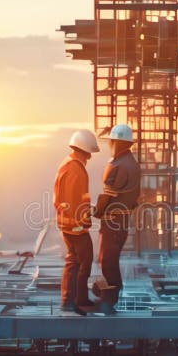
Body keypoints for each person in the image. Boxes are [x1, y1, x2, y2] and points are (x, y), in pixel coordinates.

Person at [54, 129, 100, 315]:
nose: (90, 157)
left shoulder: (67, 164)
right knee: (81, 261)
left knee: (76, 261)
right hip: (75, 226)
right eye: (89, 152)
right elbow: (74, 200)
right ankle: (72, 301)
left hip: (69, 223)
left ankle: (74, 299)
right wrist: (82, 221)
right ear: (83, 149)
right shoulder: (75, 169)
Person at [96, 124, 141, 311]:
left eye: (112, 141)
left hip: (113, 221)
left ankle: (110, 298)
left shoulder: (120, 165)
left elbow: (108, 194)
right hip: (118, 220)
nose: (110, 145)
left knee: (107, 260)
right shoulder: (129, 162)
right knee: (109, 259)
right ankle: (110, 294)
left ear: (118, 143)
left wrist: (97, 211)